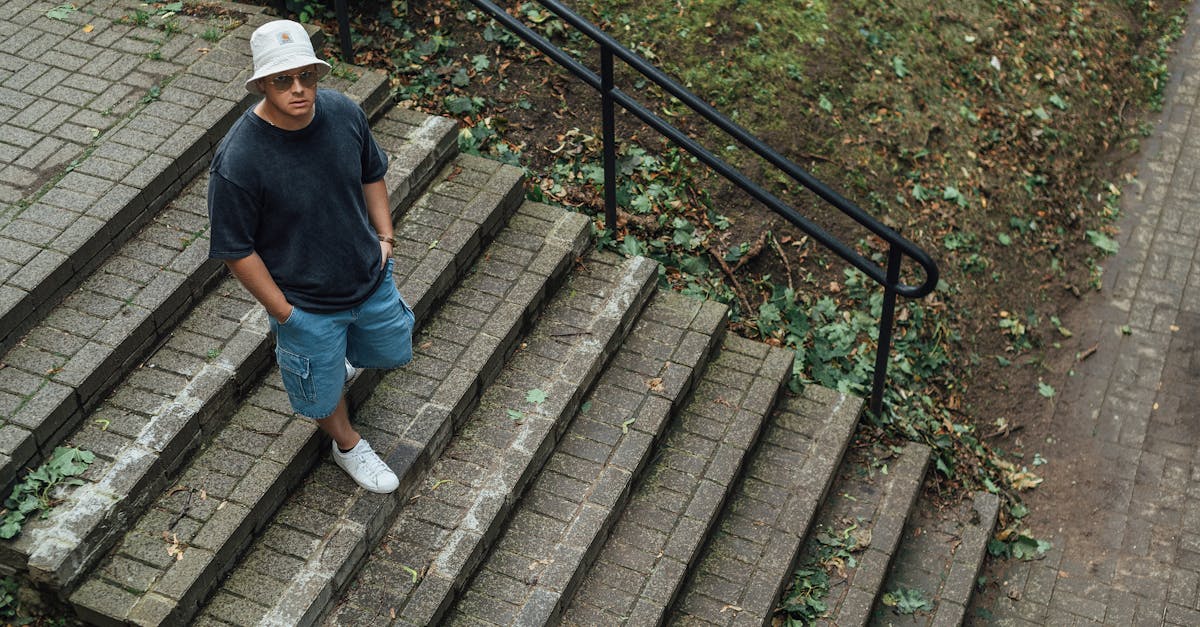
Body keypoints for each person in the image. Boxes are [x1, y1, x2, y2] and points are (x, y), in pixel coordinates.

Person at [207, 20, 413, 494]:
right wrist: (286, 314)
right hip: (306, 304)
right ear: (261, 83)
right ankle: (347, 444)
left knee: (392, 348)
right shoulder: (238, 160)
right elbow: (236, 250)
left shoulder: (341, 111)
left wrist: (386, 236)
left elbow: (371, 170)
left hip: (368, 274)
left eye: (307, 76)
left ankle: (334, 358)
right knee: (320, 397)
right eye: (283, 80)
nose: (299, 89)